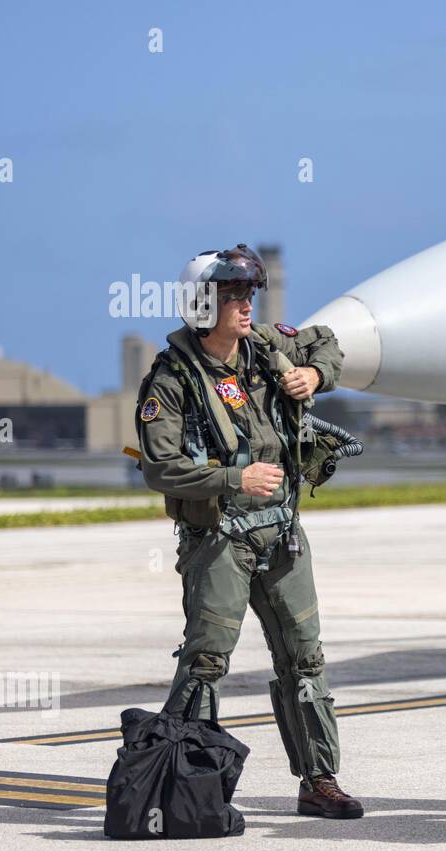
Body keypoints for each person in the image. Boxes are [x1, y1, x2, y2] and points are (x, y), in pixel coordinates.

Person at [135, 244, 362, 819]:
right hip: (220, 540)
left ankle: (319, 780)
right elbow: (159, 465)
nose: (245, 306)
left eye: (248, 295)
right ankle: (178, 784)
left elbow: (328, 341)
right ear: (202, 306)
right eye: (232, 296)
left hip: (282, 534)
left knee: (305, 659)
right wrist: (235, 475)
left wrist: (314, 374)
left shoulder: (266, 347)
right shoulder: (172, 379)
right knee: (207, 661)